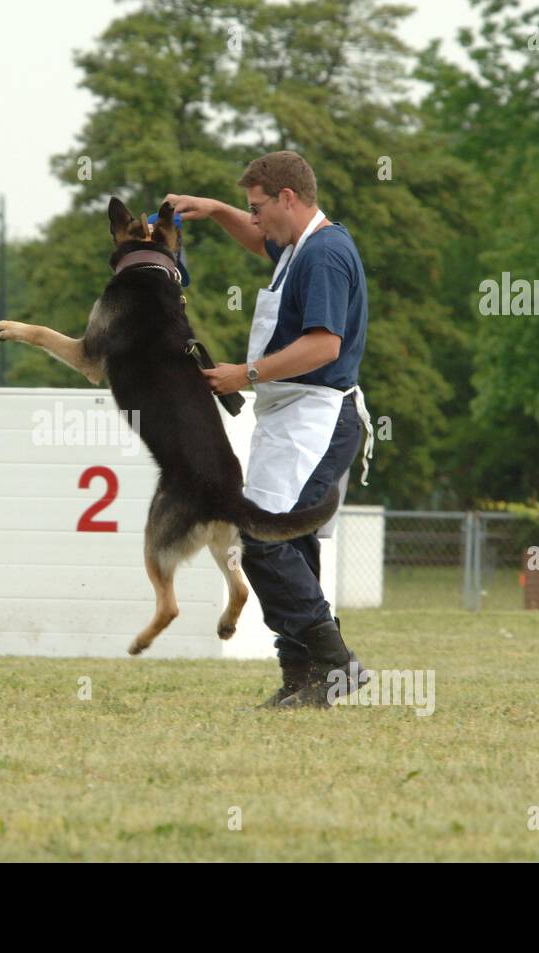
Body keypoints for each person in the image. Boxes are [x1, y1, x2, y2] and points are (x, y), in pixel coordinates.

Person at [164, 150, 374, 708]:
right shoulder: (298, 247)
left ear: (288, 198)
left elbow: (324, 344)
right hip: (291, 416)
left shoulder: (325, 255)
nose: (252, 220)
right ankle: (305, 679)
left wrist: (245, 373)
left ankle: (335, 663)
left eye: (257, 208)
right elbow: (261, 243)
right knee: (289, 540)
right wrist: (214, 210)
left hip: (317, 416)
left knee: (263, 536)